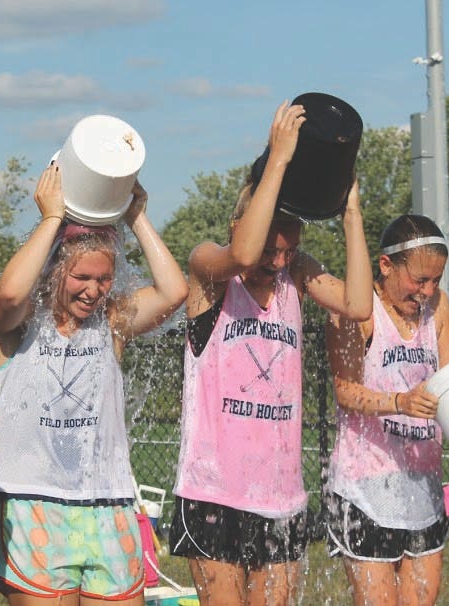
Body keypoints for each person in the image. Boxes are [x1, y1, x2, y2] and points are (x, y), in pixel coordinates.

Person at [169, 101, 373, 606]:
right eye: (270, 250)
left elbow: (359, 304)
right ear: (239, 225)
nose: (278, 261)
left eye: (289, 251)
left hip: (281, 494)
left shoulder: (294, 277)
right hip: (214, 491)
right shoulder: (209, 271)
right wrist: (278, 160)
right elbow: (241, 254)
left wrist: (351, 214)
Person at [0, 162, 188, 604]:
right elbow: (9, 294)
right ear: (54, 271)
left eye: (104, 279)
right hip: (33, 502)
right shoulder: (19, 326)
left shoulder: (111, 323)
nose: (94, 291)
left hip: (108, 502)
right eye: (81, 277)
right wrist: (52, 218)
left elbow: (174, 293)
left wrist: (136, 217)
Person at [324, 214, 449, 606]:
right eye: (419, 279)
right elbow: (345, 391)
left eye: (435, 280)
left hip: (422, 483)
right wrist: (400, 402)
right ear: (386, 265)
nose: (427, 291)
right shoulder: (357, 311)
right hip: (365, 486)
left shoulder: (439, 308)